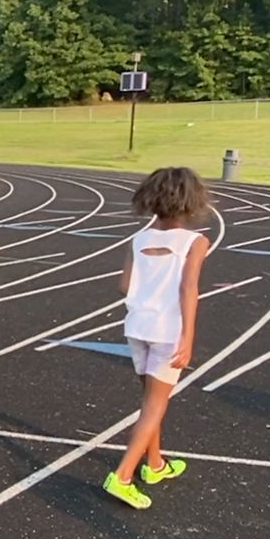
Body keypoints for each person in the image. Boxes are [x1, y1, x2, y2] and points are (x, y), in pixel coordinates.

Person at [103, 167, 210, 510]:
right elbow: (188, 288)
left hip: (137, 327)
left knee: (151, 400)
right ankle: (121, 477)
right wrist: (188, 336)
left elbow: (124, 285)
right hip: (167, 331)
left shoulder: (140, 239)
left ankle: (155, 465)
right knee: (154, 405)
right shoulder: (195, 242)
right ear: (191, 202)